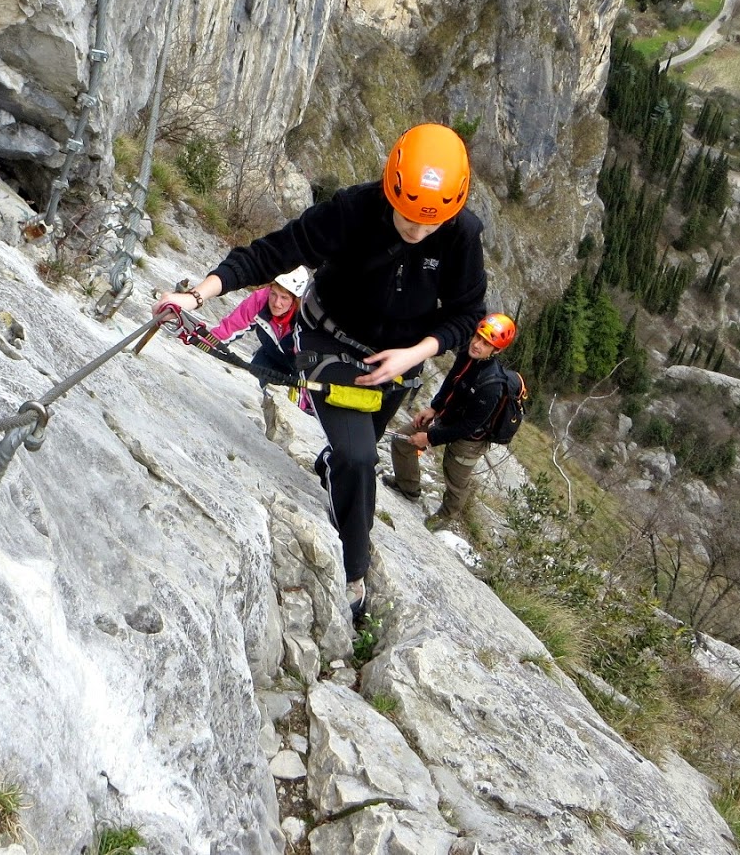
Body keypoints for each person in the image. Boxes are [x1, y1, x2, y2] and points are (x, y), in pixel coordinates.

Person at [155, 124, 489, 619]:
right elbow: (274, 251)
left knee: (355, 448)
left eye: (429, 225)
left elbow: (467, 314)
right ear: (391, 190)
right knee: (358, 460)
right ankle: (354, 578)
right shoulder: (353, 210)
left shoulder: (461, 235)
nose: (416, 231)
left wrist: (417, 351)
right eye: (407, 218)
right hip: (329, 337)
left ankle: (332, 466)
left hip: (397, 362)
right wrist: (198, 293)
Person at [384, 313, 517, 535]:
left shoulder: (491, 385)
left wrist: (430, 438)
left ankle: (447, 515)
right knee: (402, 441)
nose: (477, 344)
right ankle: (408, 487)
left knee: (455, 481)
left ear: (497, 350)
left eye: (486, 343)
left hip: (469, 439)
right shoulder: (467, 355)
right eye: (478, 337)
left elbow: (469, 426)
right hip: (447, 415)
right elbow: (452, 381)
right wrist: (434, 407)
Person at [209, 268, 309, 440]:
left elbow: (310, 367)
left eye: (284, 298)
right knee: (256, 393)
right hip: (268, 358)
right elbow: (231, 327)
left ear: (295, 300)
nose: (276, 303)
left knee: (294, 419)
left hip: (299, 372)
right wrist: (205, 342)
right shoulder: (260, 300)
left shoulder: (306, 321)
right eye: (274, 294)